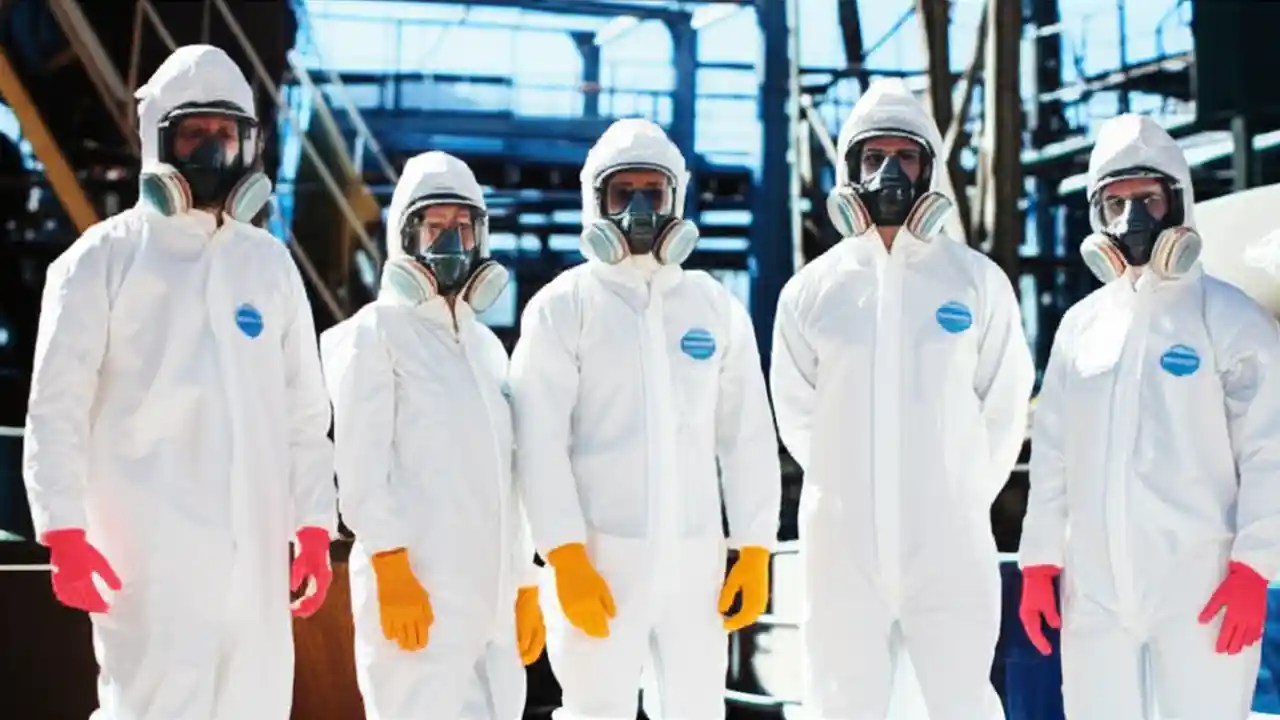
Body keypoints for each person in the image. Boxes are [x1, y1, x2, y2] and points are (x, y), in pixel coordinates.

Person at [22, 45, 335, 719]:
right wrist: (63, 532)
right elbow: (57, 409)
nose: (214, 152)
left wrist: (312, 525)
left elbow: (304, 415)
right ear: (159, 139)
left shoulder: (270, 266)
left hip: (254, 559)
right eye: (195, 135)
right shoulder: (100, 262)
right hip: (148, 556)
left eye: (228, 136)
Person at [771, 78, 1034, 720]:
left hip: (950, 545)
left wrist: (955, 491)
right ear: (850, 169)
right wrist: (851, 484)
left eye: (905, 156)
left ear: (930, 168)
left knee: (959, 701)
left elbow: (1004, 403)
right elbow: (798, 415)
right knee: (840, 701)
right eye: (872, 157)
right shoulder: (812, 292)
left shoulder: (975, 282)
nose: (889, 172)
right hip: (842, 546)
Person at [510, 118, 781, 719]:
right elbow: (536, 441)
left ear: (675, 199)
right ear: (595, 201)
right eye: (621, 193)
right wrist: (563, 555)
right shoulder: (563, 306)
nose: (637, 208)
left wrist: (755, 547)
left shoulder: (712, 306)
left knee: (697, 711)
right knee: (594, 711)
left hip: (697, 568)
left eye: (652, 193)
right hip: (599, 565)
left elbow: (746, 438)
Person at [1019, 113, 1280, 719]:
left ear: (1179, 205)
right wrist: (1037, 562)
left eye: (1148, 199)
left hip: (1202, 587)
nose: (1132, 219)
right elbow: (1053, 455)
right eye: (1115, 202)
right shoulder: (1081, 326)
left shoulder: (1229, 317)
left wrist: (1253, 567)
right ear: (1096, 215)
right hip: (1096, 594)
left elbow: (1271, 450)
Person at [320, 150, 544, 720]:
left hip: (490, 613)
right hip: (419, 602)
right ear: (405, 237)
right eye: (434, 226)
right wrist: (391, 565)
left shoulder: (487, 348)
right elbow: (361, 464)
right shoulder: (375, 333)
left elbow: (508, 477)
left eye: (463, 227)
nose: (451, 241)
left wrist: (523, 582)